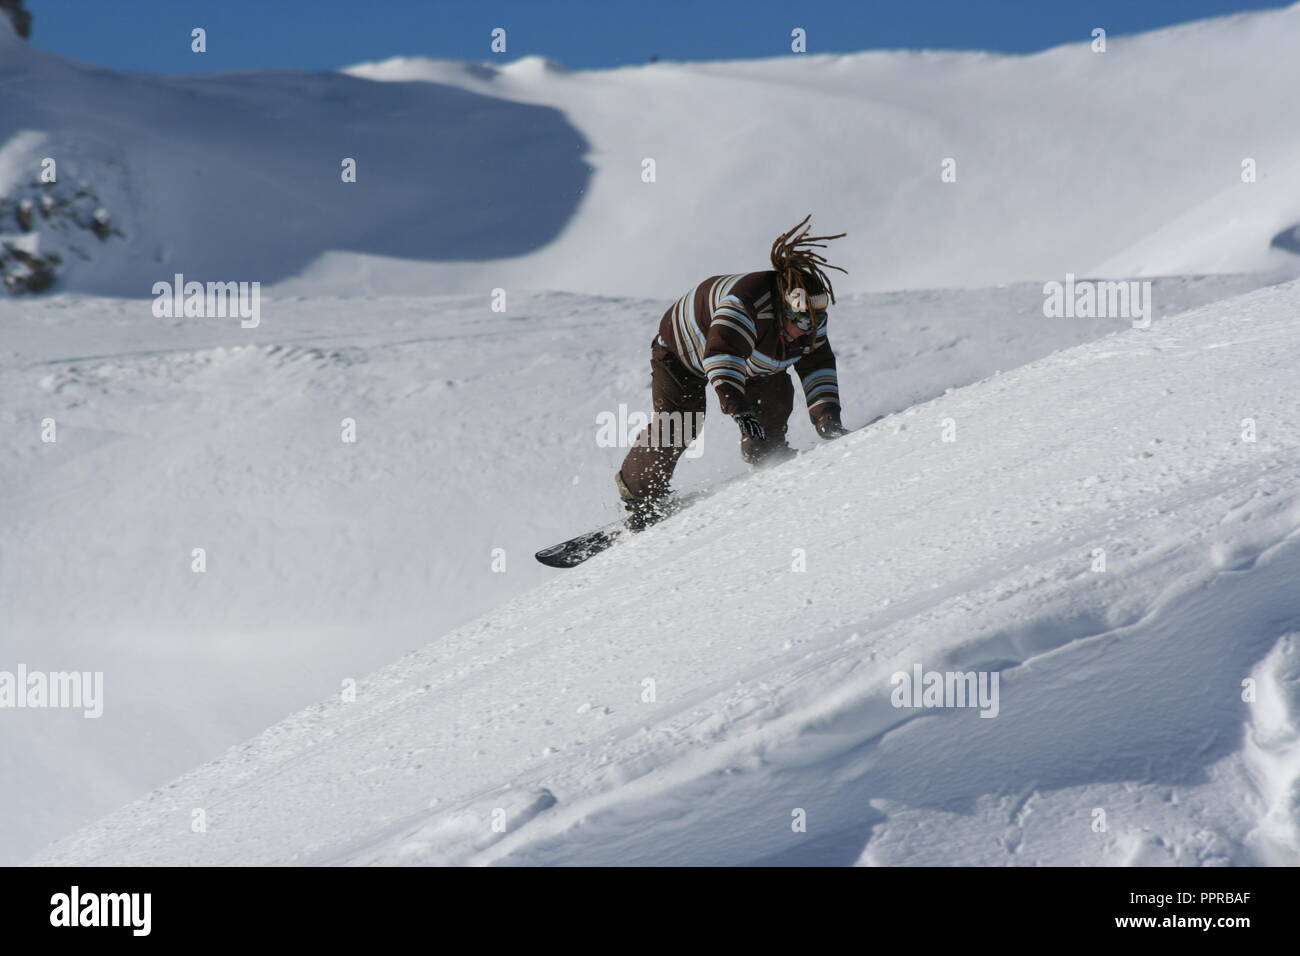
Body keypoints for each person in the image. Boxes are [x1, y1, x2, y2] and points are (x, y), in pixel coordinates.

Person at [616, 216, 851, 529]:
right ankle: (639, 496)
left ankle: (765, 453)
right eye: (801, 321)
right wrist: (740, 411)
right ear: (783, 306)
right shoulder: (745, 302)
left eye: (816, 320)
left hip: (751, 356)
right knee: (679, 423)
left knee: (776, 395)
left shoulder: (810, 322)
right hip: (684, 350)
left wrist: (827, 420)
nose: (807, 330)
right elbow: (721, 357)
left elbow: (817, 365)